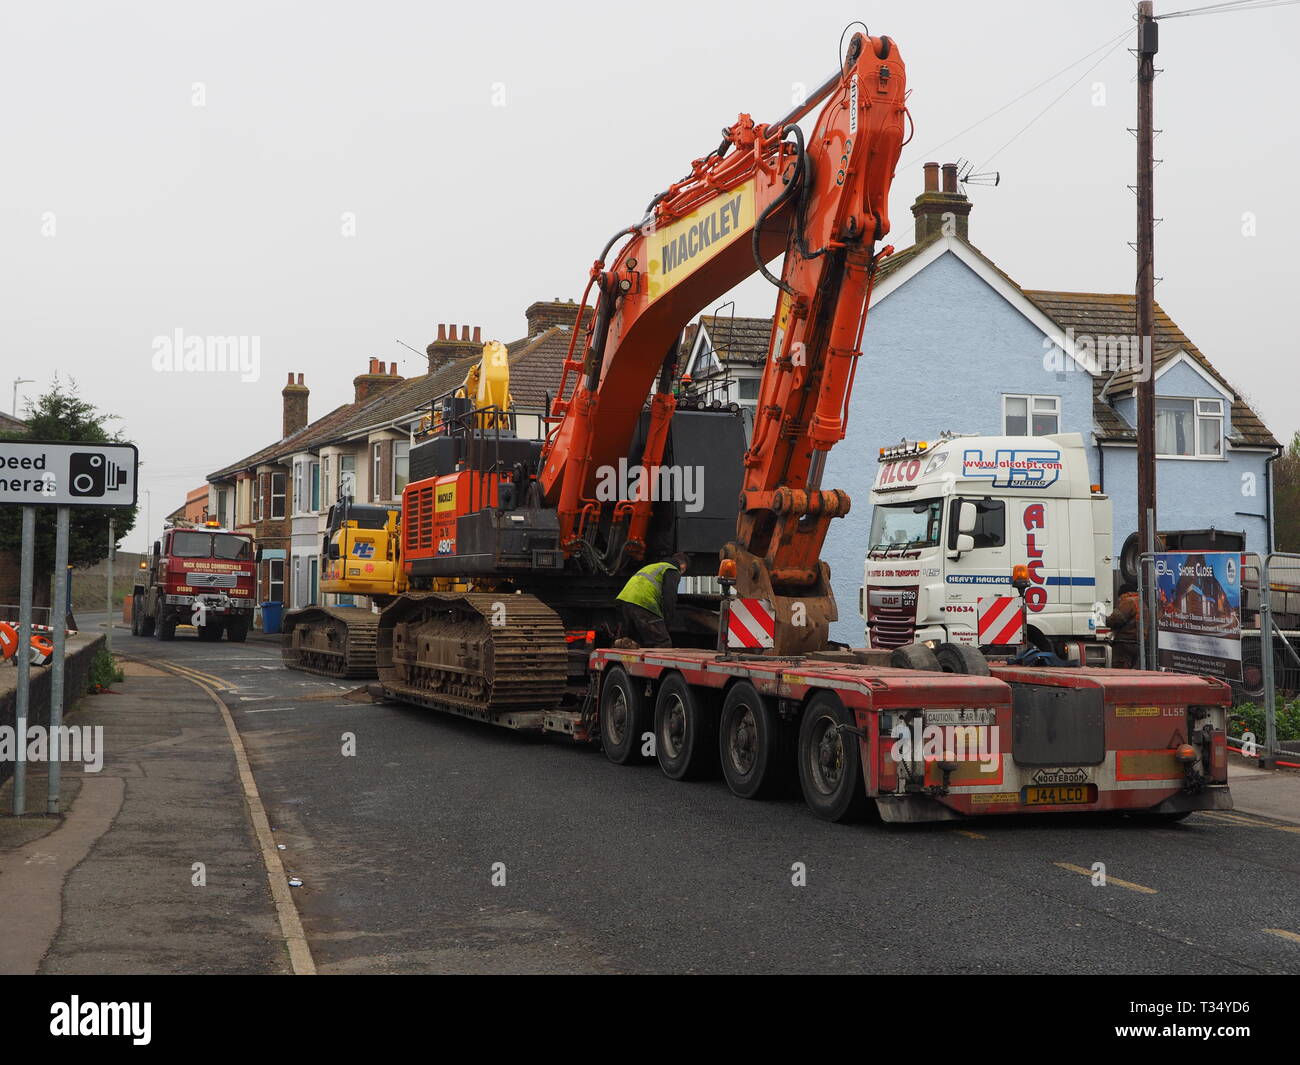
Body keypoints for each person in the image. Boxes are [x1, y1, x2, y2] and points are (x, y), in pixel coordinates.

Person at [615, 553, 689, 649]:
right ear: (683, 566)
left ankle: (622, 647)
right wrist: (667, 622)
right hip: (643, 602)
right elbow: (669, 598)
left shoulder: (653, 566)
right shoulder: (672, 570)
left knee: (634, 641)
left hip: (624, 601)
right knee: (663, 642)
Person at [1106, 581, 1143, 668]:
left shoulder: (1128, 602)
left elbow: (1116, 619)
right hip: (1137, 643)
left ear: (1124, 593)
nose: (1119, 600)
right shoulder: (1141, 603)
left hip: (1124, 643)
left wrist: (1105, 620)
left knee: (1120, 669)